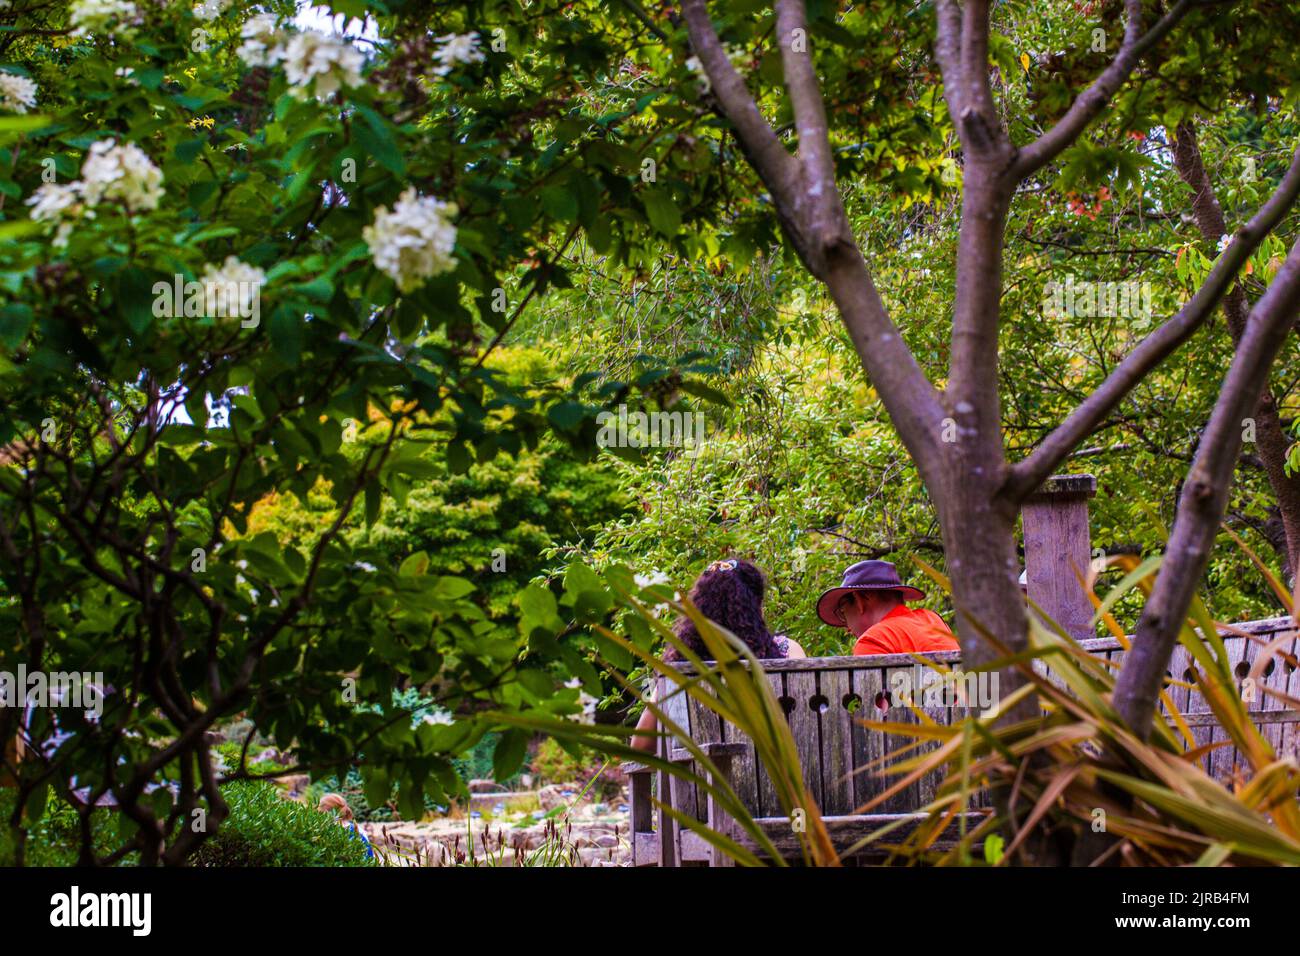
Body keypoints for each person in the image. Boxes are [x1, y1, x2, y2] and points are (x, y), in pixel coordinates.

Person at [631, 558, 804, 753]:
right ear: (756, 607)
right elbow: (809, 724)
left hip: (706, 781)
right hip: (782, 779)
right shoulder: (787, 651)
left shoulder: (680, 665)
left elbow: (641, 745)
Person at [816, 559, 959, 655]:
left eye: (842, 611)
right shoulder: (932, 619)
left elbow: (870, 699)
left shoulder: (873, 641)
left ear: (860, 598)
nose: (847, 628)